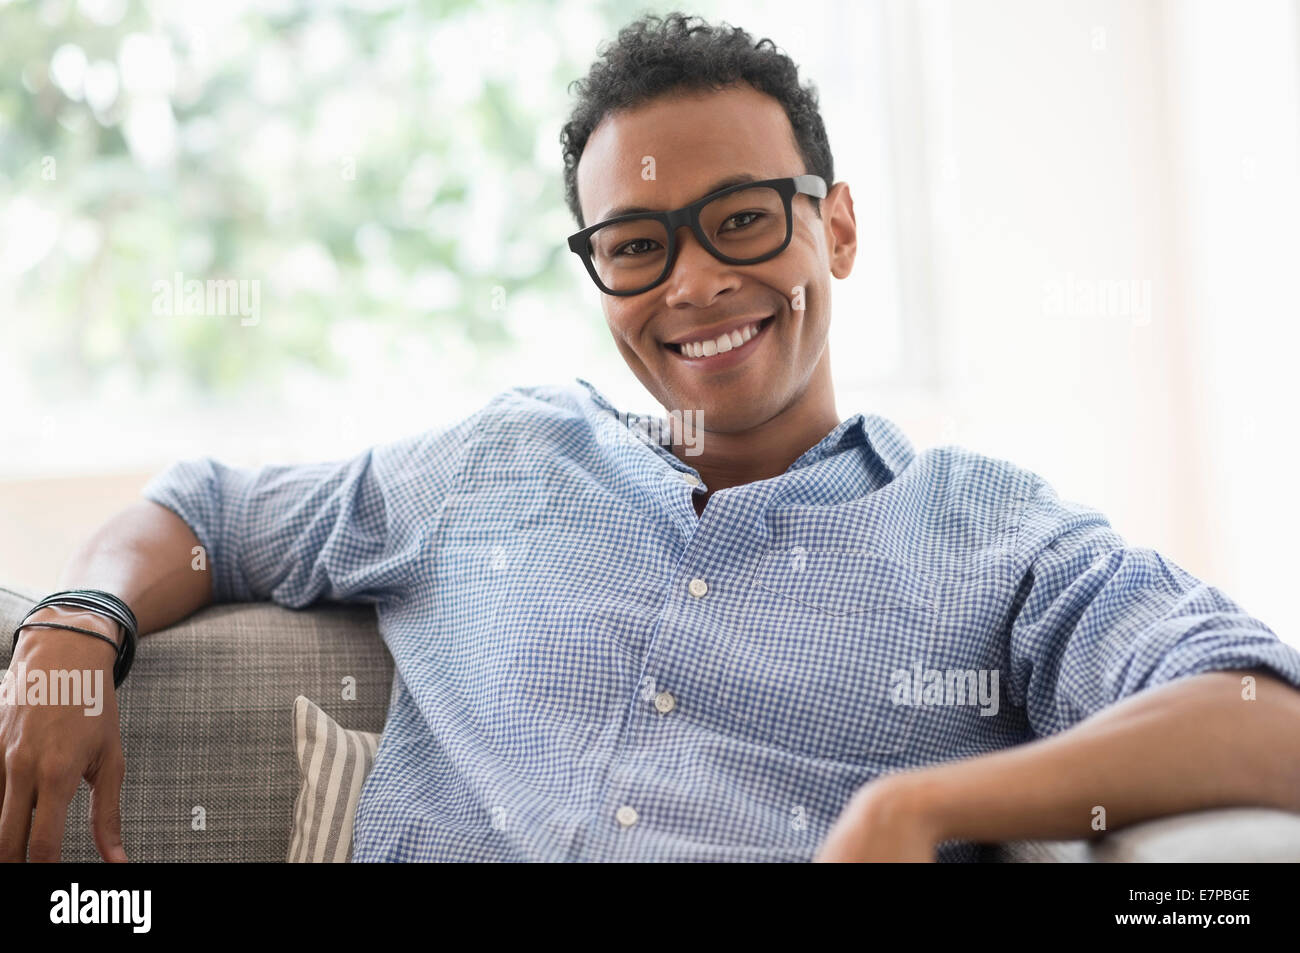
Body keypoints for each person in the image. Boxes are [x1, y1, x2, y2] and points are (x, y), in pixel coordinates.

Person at [4, 12, 1299, 864]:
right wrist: (74, 621)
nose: (691, 285)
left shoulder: (992, 530)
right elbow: (207, 508)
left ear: (835, 228)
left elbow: (1263, 718)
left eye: (742, 219)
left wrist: (917, 805)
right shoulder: (500, 464)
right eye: (637, 245)